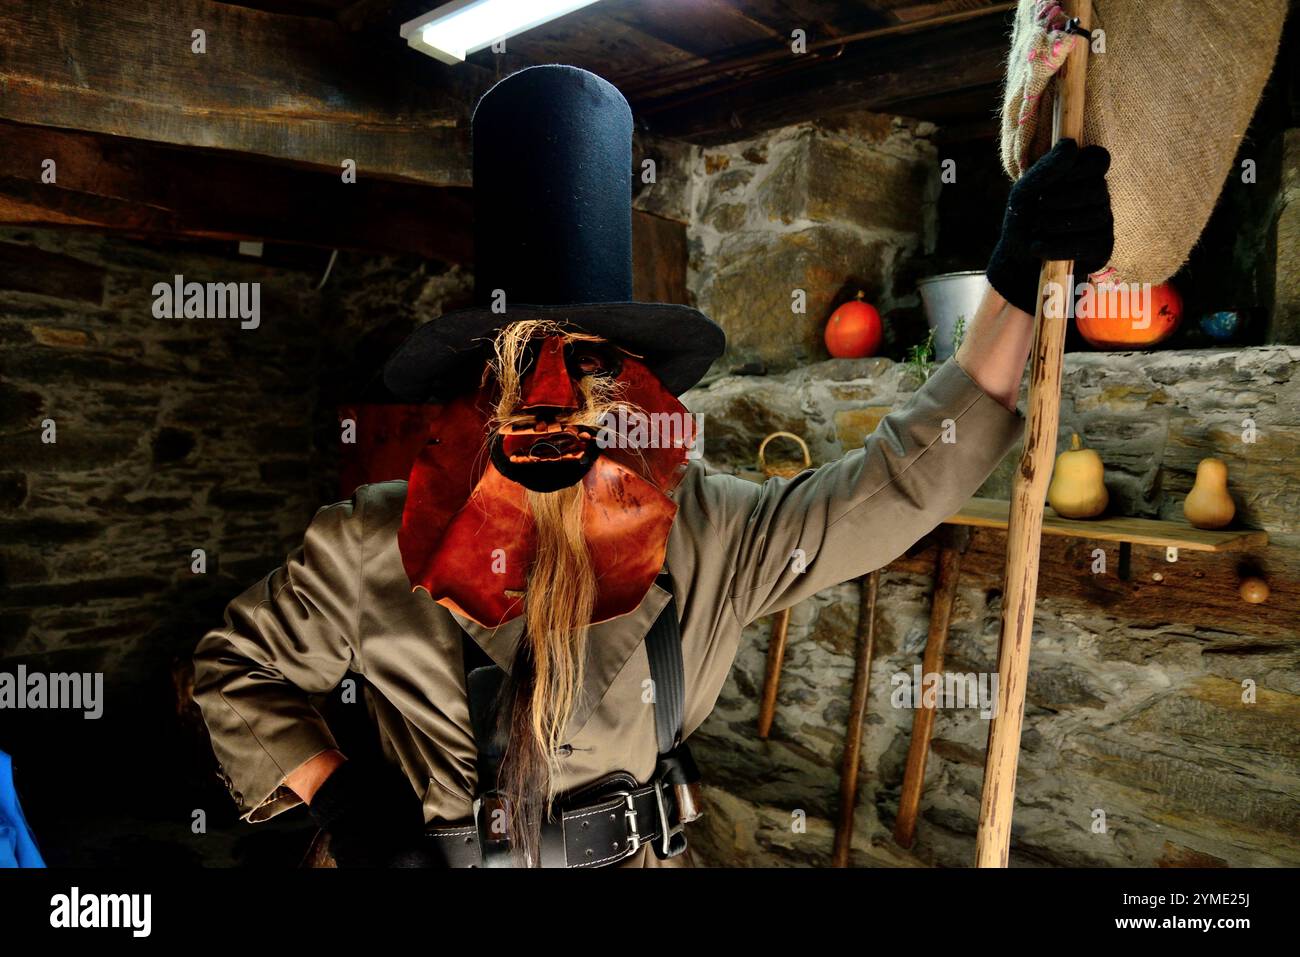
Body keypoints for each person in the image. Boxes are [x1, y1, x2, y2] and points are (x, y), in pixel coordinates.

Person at [193, 64, 1112, 868]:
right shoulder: (371, 541)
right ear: (475, 390)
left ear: (629, 391)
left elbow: (899, 480)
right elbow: (235, 667)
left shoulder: (708, 529)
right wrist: (345, 800)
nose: (550, 405)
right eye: (516, 369)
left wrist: (1012, 284)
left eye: (582, 368)